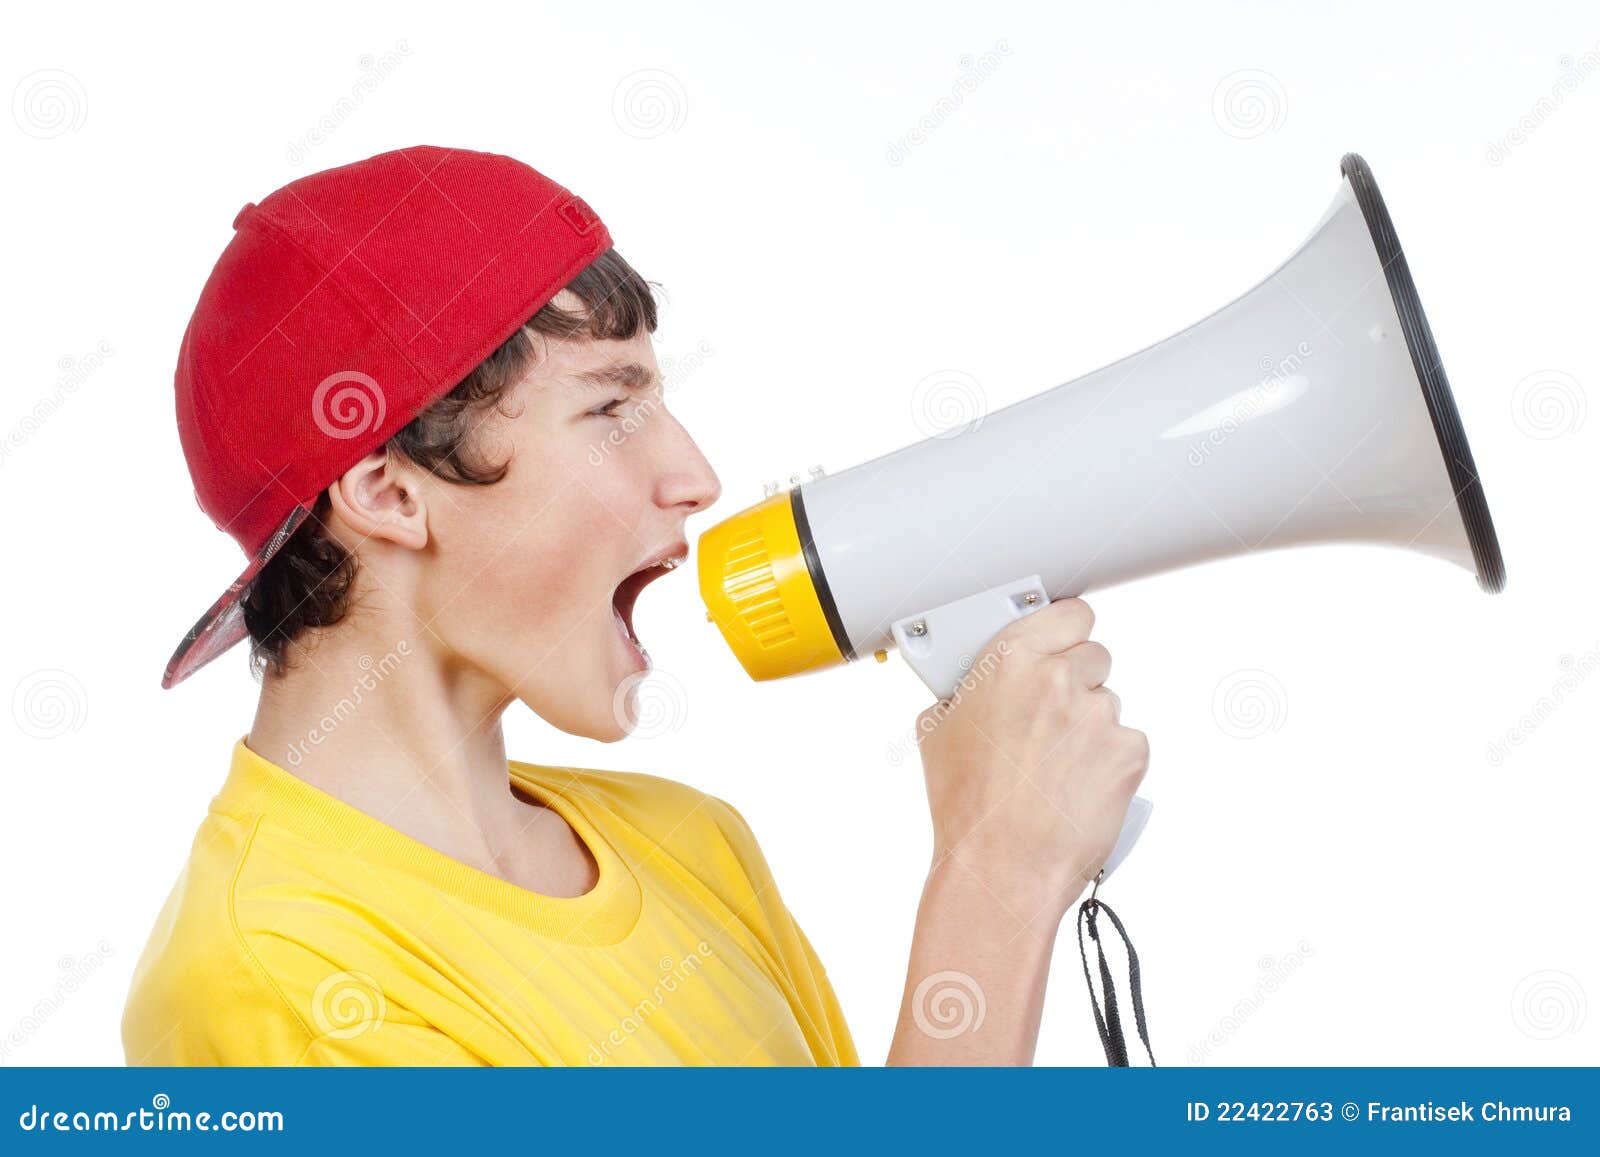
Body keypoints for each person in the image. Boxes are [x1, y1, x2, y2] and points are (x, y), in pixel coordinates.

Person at [122, 145, 1148, 1066]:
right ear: (389, 489)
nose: (696, 476)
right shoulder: (274, 979)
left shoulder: (686, 842)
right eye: (611, 408)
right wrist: (996, 879)